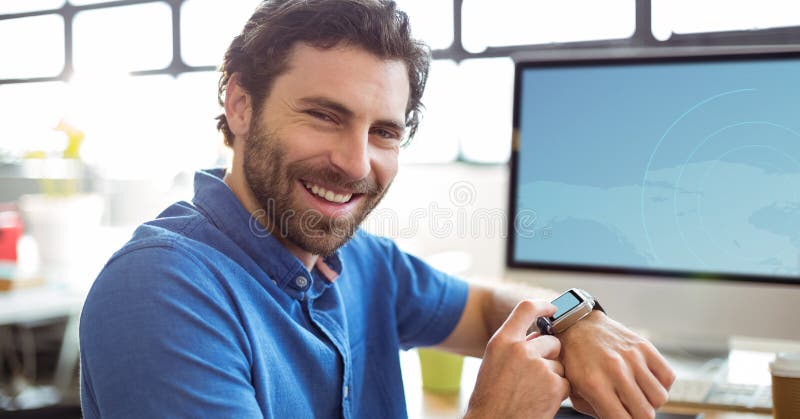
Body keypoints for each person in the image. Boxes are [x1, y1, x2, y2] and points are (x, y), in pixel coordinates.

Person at [79, 0, 675, 418]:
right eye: (324, 115)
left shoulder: (363, 261)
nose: (356, 163)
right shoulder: (158, 290)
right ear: (239, 104)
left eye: (384, 132)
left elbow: (486, 310)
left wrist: (578, 320)